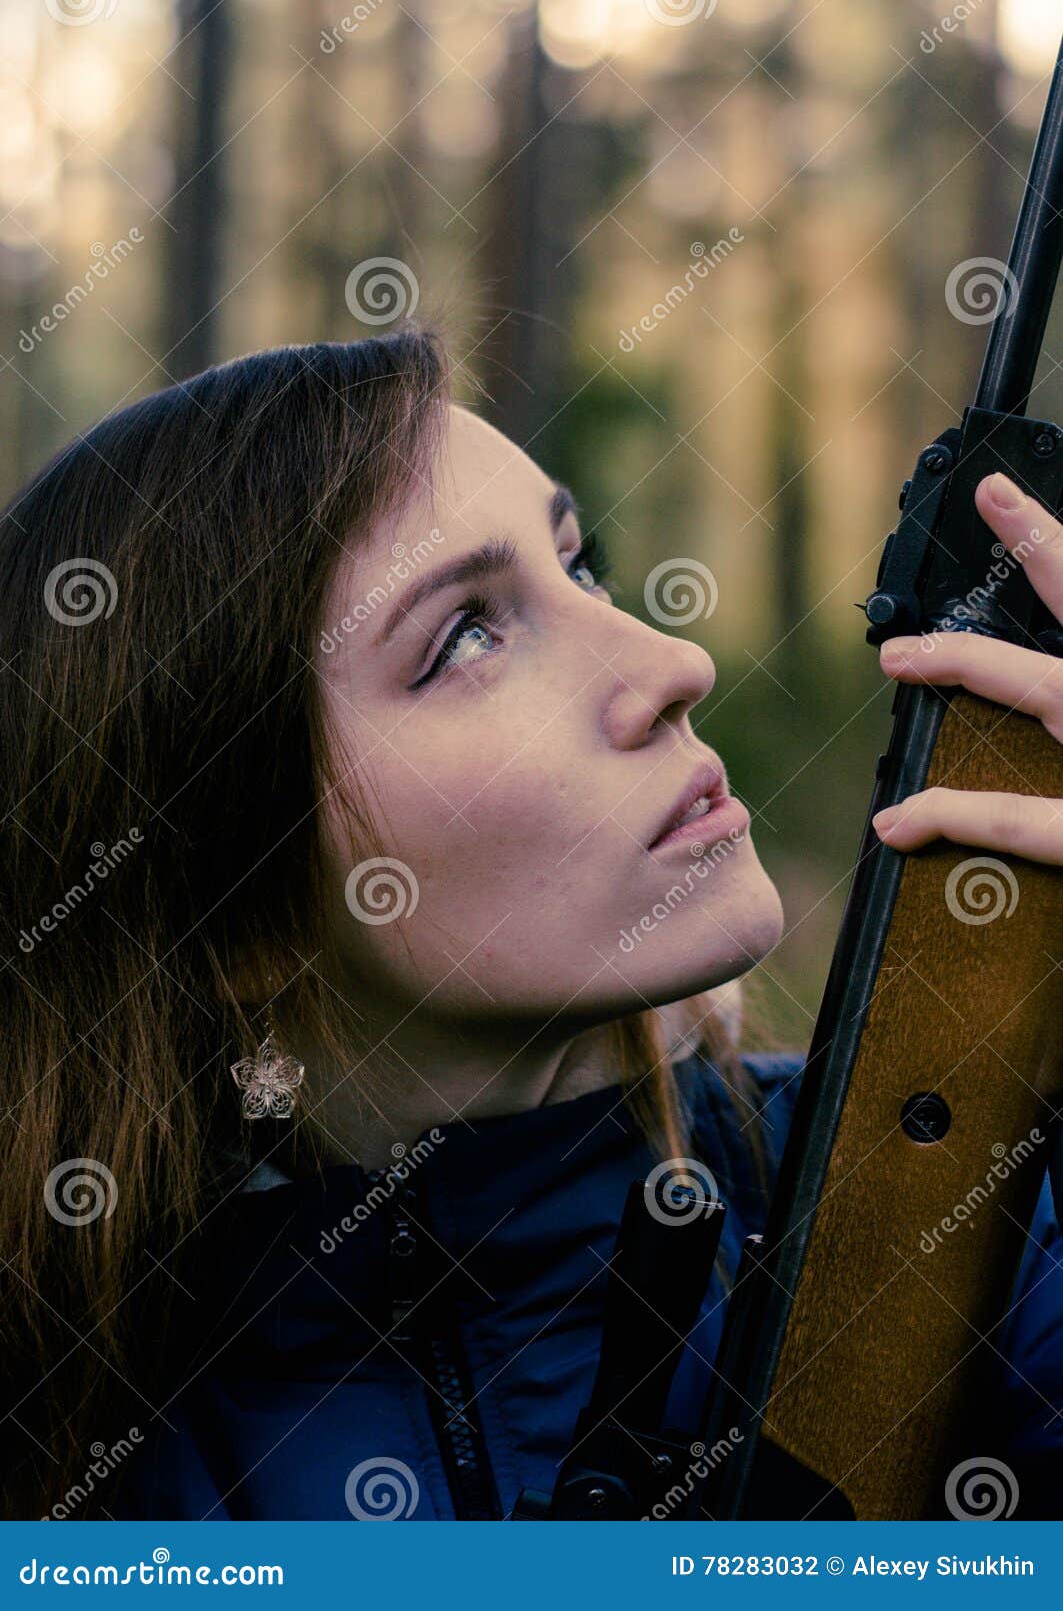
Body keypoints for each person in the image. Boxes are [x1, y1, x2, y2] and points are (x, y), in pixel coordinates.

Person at [1, 331, 1059, 1523]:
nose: (672, 662)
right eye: (465, 637)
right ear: (241, 924)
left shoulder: (993, 1229)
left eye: (582, 568)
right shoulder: (87, 1483)